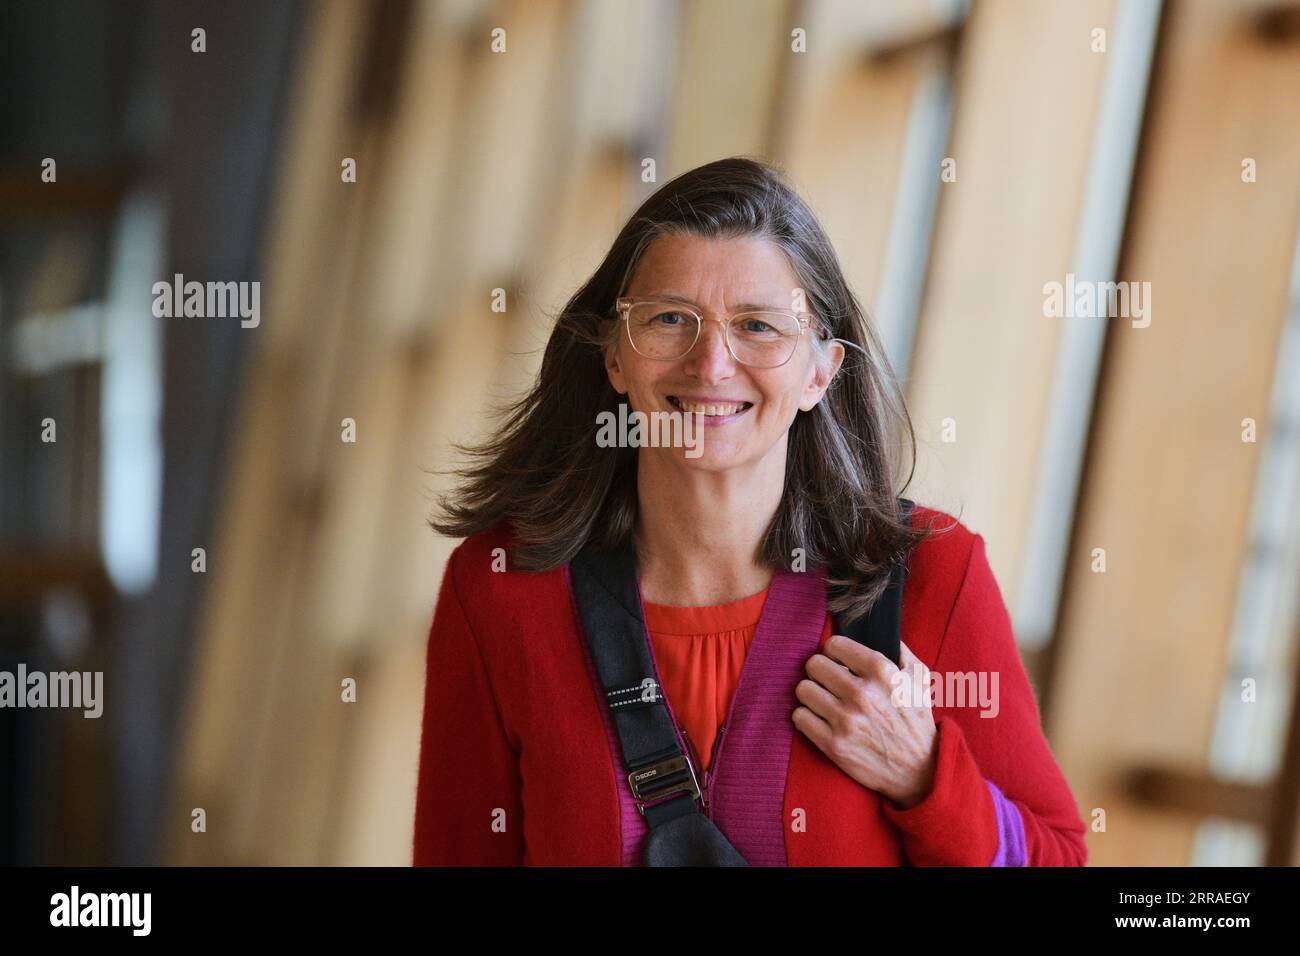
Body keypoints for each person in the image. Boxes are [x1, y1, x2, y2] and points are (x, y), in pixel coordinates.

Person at [413, 156, 1088, 866]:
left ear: (820, 372)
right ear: (614, 356)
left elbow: (1059, 860)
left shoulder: (927, 575)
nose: (710, 365)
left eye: (758, 327)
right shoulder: (500, 587)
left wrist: (925, 778)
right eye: (671, 318)